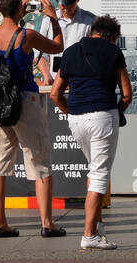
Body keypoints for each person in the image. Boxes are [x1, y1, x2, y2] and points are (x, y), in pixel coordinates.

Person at [0, 0, 65, 238]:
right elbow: (57, 47)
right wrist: (52, 19)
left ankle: (0, 223)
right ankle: (46, 223)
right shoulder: (26, 35)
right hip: (26, 100)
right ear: (21, 7)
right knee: (39, 160)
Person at [50, 15, 132, 250]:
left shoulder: (71, 51)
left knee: (93, 169)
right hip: (102, 116)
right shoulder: (113, 52)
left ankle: (97, 226)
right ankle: (89, 236)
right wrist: (117, 113)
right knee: (98, 175)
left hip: (76, 119)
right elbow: (127, 94)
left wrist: (70, 113)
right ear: (111, 37)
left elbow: (56, 93)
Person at [38, 0, 95, 79]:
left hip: (79, 81)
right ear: (56, 1)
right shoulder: (48, 21)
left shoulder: (90, 21)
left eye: (70, 4)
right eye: (63, 5)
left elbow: (94, 55)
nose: (67, 8)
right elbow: (40, 54)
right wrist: (47, 76)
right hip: (55, 80)